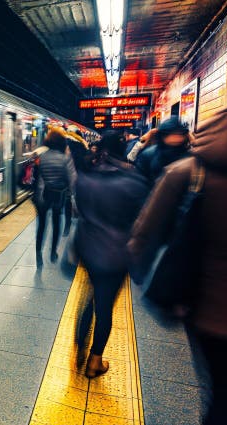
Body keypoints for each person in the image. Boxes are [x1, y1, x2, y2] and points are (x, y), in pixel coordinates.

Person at [127, 107, 227, 425]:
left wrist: (140, 269)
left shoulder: (190, 171)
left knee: (220, 394)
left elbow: (144, 232)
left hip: (206, 308)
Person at [75, 131, 150, 378]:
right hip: (116, 255)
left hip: (88, 248)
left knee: (90, 295)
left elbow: (79, 211)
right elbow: (143, 221)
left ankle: (79, 342)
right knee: (105, 308)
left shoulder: (86, 175)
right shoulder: (135, 180)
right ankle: (95, 362)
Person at [34, 127, 77, 267]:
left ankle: (38, 252)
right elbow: (72, 179)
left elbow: (39, 179)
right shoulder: (65, 158)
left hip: (44, 193)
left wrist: (39, 197)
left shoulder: (42, 156)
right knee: (56, 222)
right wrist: (72, 197)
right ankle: (53, 252)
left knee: (41, 225)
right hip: (59, 194)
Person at [135, 118, 190, 184]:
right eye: (172, 134)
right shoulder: (148, 154)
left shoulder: (187, 155)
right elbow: (140, 179)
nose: (176, 138)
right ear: (163, 136)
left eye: (180, 134)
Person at [65, 125, 89, 235]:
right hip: (79, 174)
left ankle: (67, 224)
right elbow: (84, 161)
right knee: (78, 196)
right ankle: (80, 219)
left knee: (67, 198)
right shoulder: (82, 144)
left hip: (67, 175)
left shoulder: (64, 143)